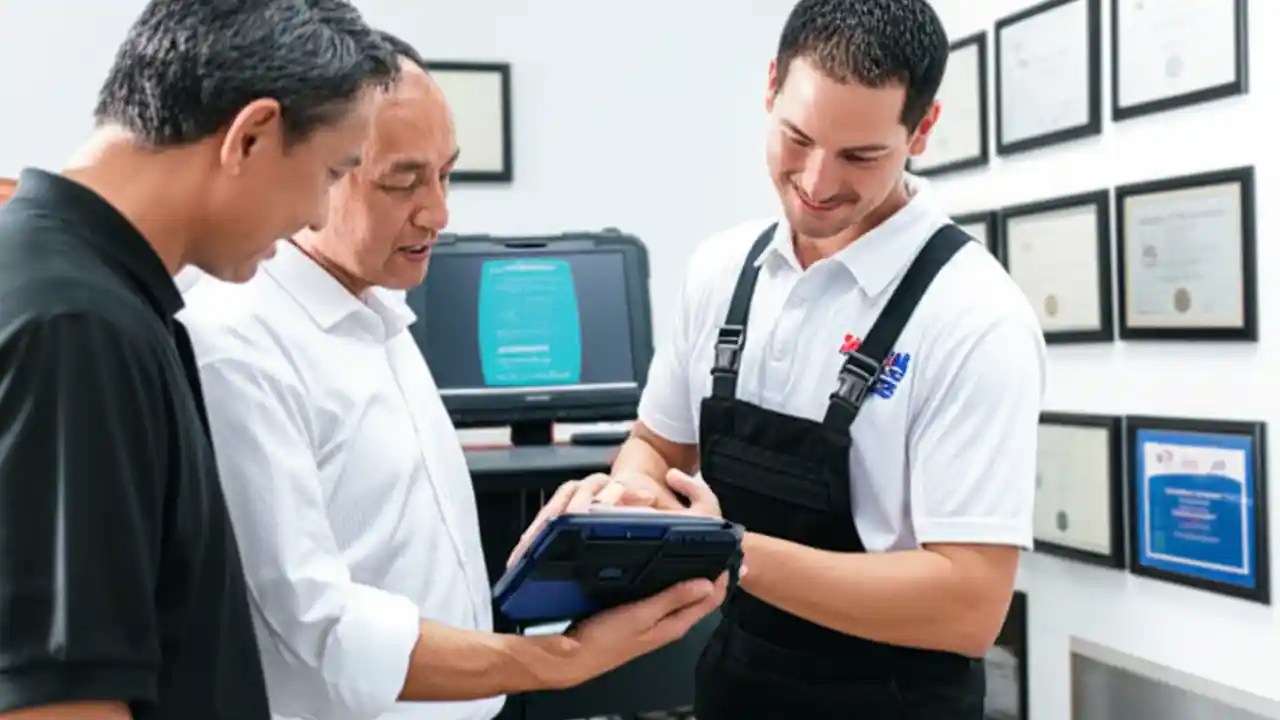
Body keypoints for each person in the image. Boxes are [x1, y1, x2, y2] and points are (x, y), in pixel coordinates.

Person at [515, 0, 1047, 717]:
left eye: (861, 156)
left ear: (922, 129)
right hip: (735, 683)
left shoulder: (976, 318)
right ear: (770, 86)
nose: (818, 182)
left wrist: (730, 552)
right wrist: (625, 502)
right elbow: (654, 444)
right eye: (797, 137)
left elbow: (968, 604)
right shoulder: (720, 270)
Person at [178, 34, 728, 720]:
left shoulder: (378, 311)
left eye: (446, 174)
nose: (438, 212)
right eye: (403, 181)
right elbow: (316, 625)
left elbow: (401, 548)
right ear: (318, 168)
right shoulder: (238, 342)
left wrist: (554, 559)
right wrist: (563, 661)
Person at [0, 2, 397, 719]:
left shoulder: (76, 288)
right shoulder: (78, 326)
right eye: (331, 172)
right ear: (251, 136)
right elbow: (59, 699)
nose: (317, 214)